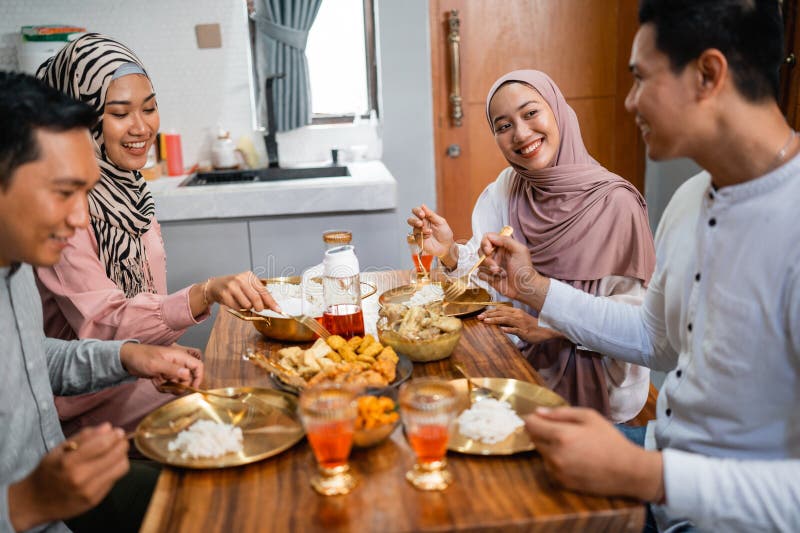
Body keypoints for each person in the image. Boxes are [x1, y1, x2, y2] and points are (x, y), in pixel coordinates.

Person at [479, 1, 799, 531]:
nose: (630, 102)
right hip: (659, 457)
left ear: (708, 74)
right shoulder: (694, 197)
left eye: (640, 79)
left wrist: (648, 476)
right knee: (486, 470)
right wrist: (533, 286)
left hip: (721, 510)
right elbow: (654, 339)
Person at [33, 33, 281, 435]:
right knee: (249, 421)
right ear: (81, 121)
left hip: (140, 371)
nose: (142, 126)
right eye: (119, 113)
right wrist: (203, 293)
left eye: (150, 108)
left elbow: (141, 303)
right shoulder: (63, 213)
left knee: (260, 389)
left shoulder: (130, 191)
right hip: (93, 401)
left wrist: (159, 354)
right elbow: (102, 324)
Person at [0, 71, 205, 533]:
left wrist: (129, 355)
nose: (80, 219)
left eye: (87, 193)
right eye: (63, 193)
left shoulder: (12, 270)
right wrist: (23, 504)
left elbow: (31, 356)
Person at [408, 70, 655, 423]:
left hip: (608, 393)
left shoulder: (616, 203)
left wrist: (552, 326)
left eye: (530, 113)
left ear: (558, 110)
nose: (521, 134)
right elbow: (490, 282)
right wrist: (449, 252)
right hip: (523, 370)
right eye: (503, 126)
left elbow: (640, 323)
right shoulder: (509, 187)